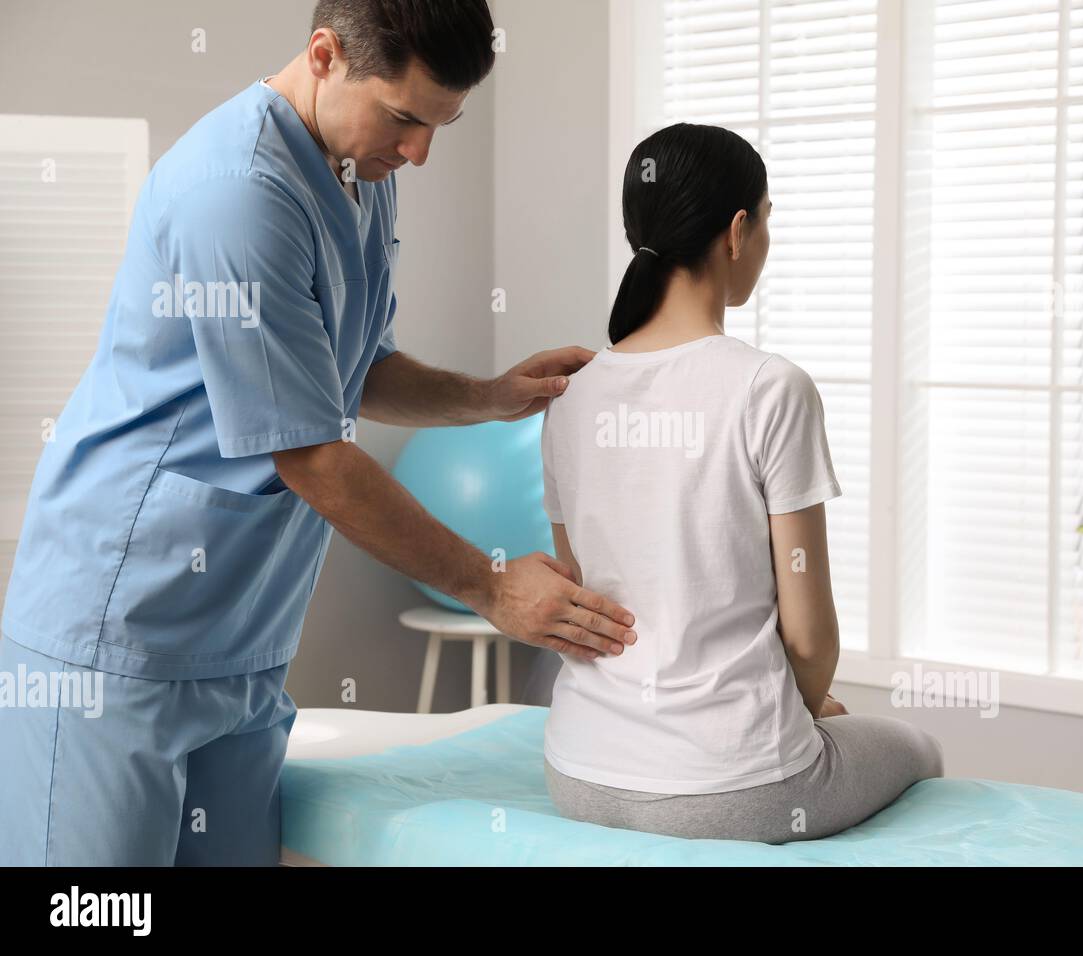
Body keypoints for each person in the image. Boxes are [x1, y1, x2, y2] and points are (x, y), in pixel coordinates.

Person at [0, 0, 635, 866]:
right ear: (325, 54)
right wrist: (491, 589)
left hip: (240, 640)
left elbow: (351, 367)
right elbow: (308, 451)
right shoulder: (237, 194)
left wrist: (487, 396)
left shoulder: (355, 169)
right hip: (121, 630)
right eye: (406, 118)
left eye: (440, 125)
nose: (417, 151)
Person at [540, 123, 944, 844]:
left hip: (578, 770)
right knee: (919, 749)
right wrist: (806, 706)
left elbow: (576, 600)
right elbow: (812, 637)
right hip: (731, 783)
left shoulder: (570, 394)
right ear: (736, 230)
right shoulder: (769, 388)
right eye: (767, 222)